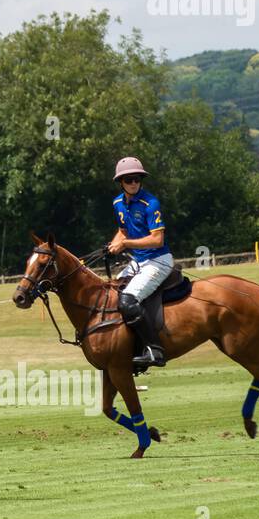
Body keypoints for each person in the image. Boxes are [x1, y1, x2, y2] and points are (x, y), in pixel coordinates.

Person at [107, 157, 173, 369]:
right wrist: (114, 244)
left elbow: (157, 239)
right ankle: (126, 347)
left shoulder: (150, 203)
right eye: (128, 180)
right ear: (121, 183)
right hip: (138, 261)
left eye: (137, 179)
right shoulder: (117, 203)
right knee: (110, 296)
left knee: (127, 300)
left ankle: (154, 350)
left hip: (158, 261)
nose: (134, 183)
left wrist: (124, 244)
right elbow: (123, 230)